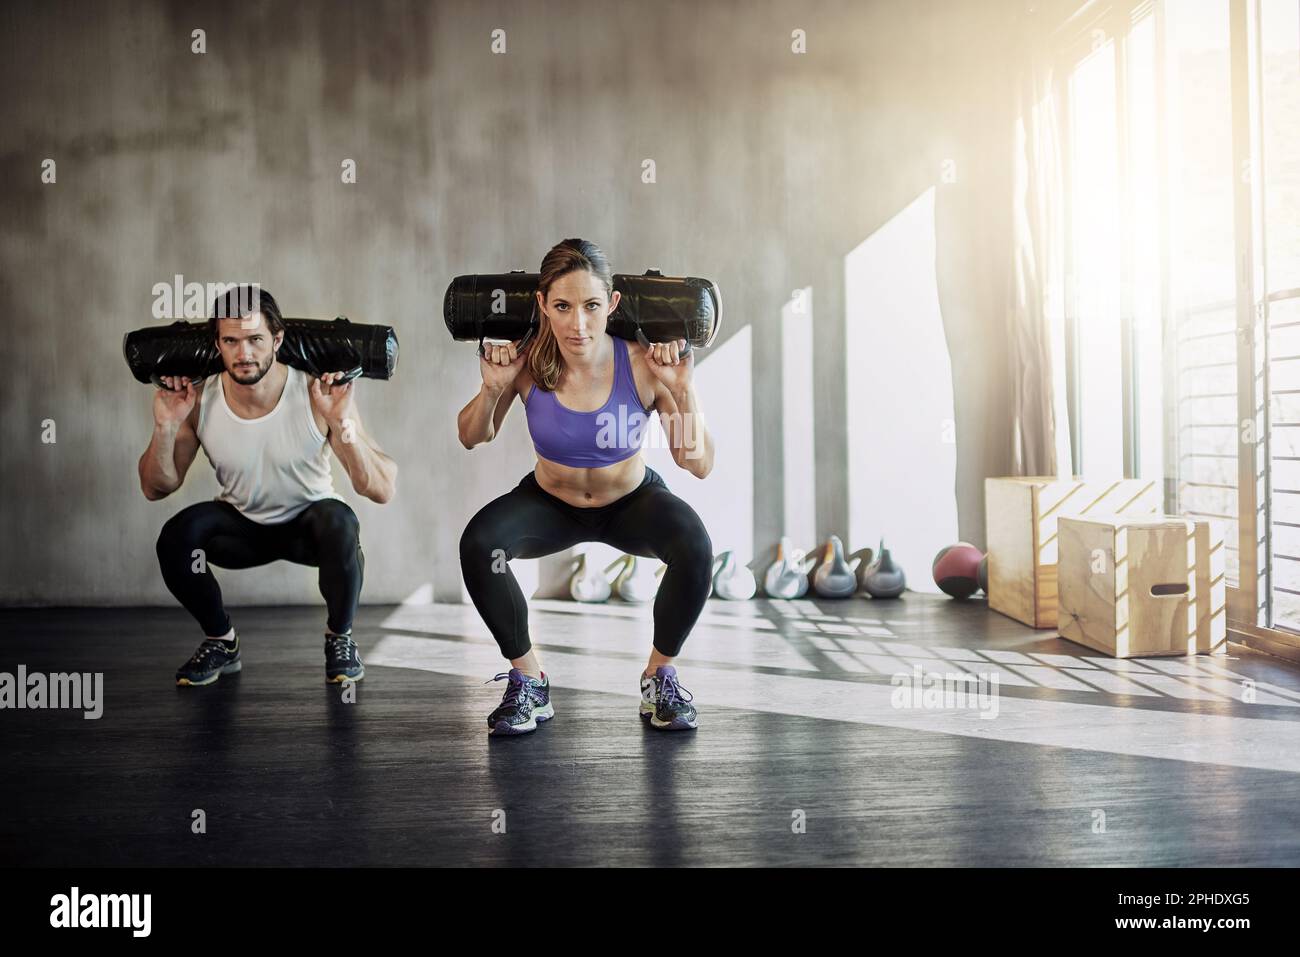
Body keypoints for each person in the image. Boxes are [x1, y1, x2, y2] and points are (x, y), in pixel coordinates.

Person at [457, 239, 715, 735]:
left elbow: (696, 462)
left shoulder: (643, 364)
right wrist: (493, 388)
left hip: (631, 504)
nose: (577, 323)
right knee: (480, 543)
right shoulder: (527, 360)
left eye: (591, 306)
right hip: (550, 504)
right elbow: (472, 436)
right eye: (562, 306)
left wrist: (683, 388)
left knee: (694, 545)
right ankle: (529, 680)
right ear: (541, 305)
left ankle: (659, 676)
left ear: (612, 304)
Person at [139, 286, 398, 686]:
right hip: (241, 529)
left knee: (340, 522)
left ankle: (339, 637)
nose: (244, 354)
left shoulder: (317, 392)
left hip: (309, 527)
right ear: (217, 344)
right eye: (231, 341)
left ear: (277, 339)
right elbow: (157, 487)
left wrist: (341, 421)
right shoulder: (201, 398)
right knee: (176, 537)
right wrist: (166, 425)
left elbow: (380, 489)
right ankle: (221, 640)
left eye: (255, 339)